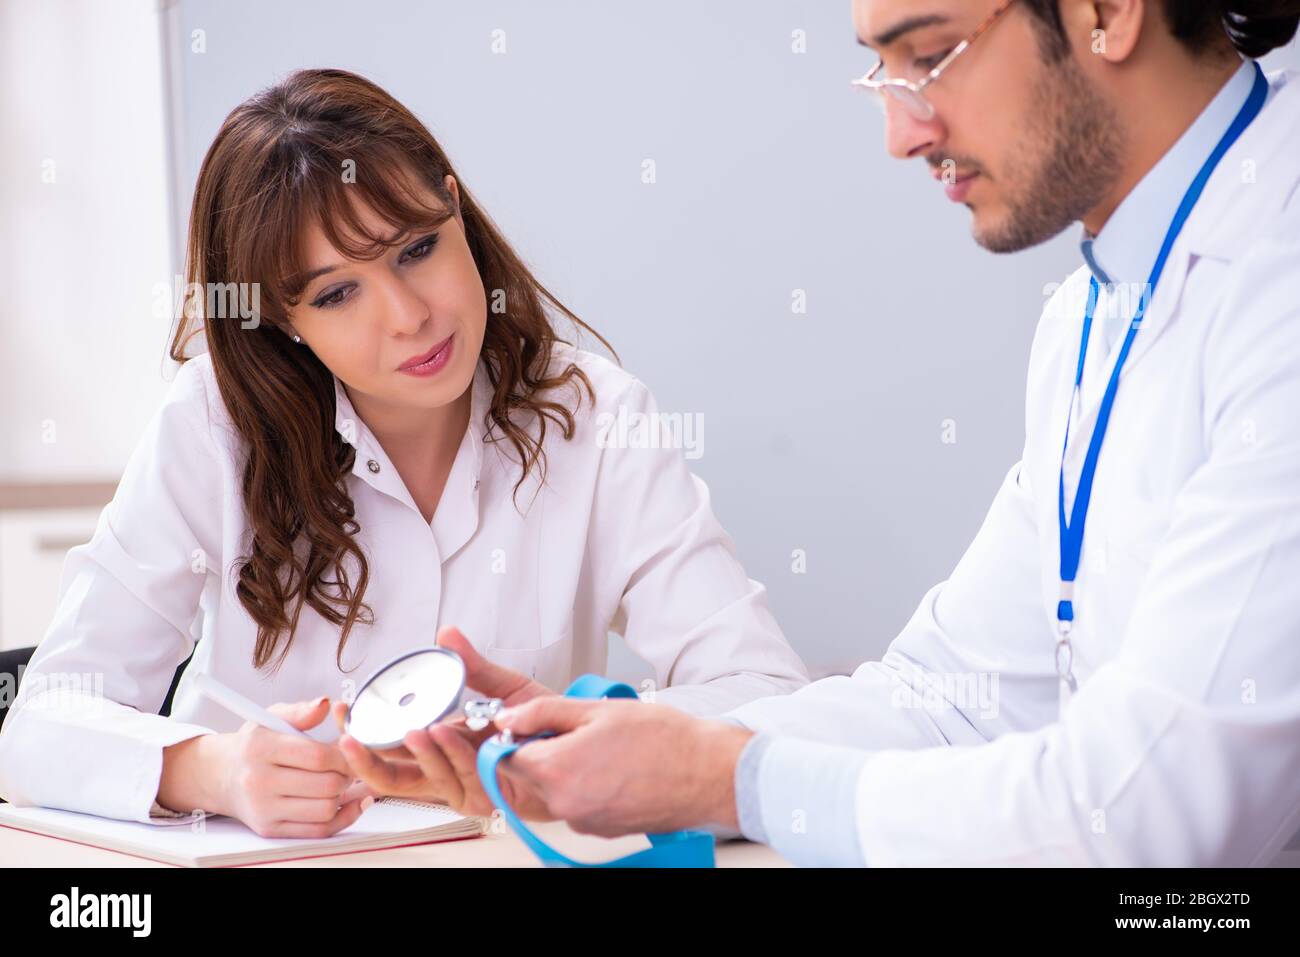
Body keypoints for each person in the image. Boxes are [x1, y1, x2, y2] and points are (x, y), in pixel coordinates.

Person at [345, 0, 1300, 866]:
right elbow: (955, 695)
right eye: (883, 74)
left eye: (928, 57)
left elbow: (1153, 814)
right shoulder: (1096, 306)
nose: (900, 132)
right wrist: (626, 751)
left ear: (1107, 12)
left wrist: (732, 781)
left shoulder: (1277, 277)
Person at [0, 68, 809, 838]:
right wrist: (209, 769)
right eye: (335, 293)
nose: (408, 316)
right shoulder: (212, 425)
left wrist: (584, 739)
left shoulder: (597, 417)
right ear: (284, 321)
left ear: (455, 209)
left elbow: (769, 694)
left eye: (416, 249)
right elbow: (41, 722)